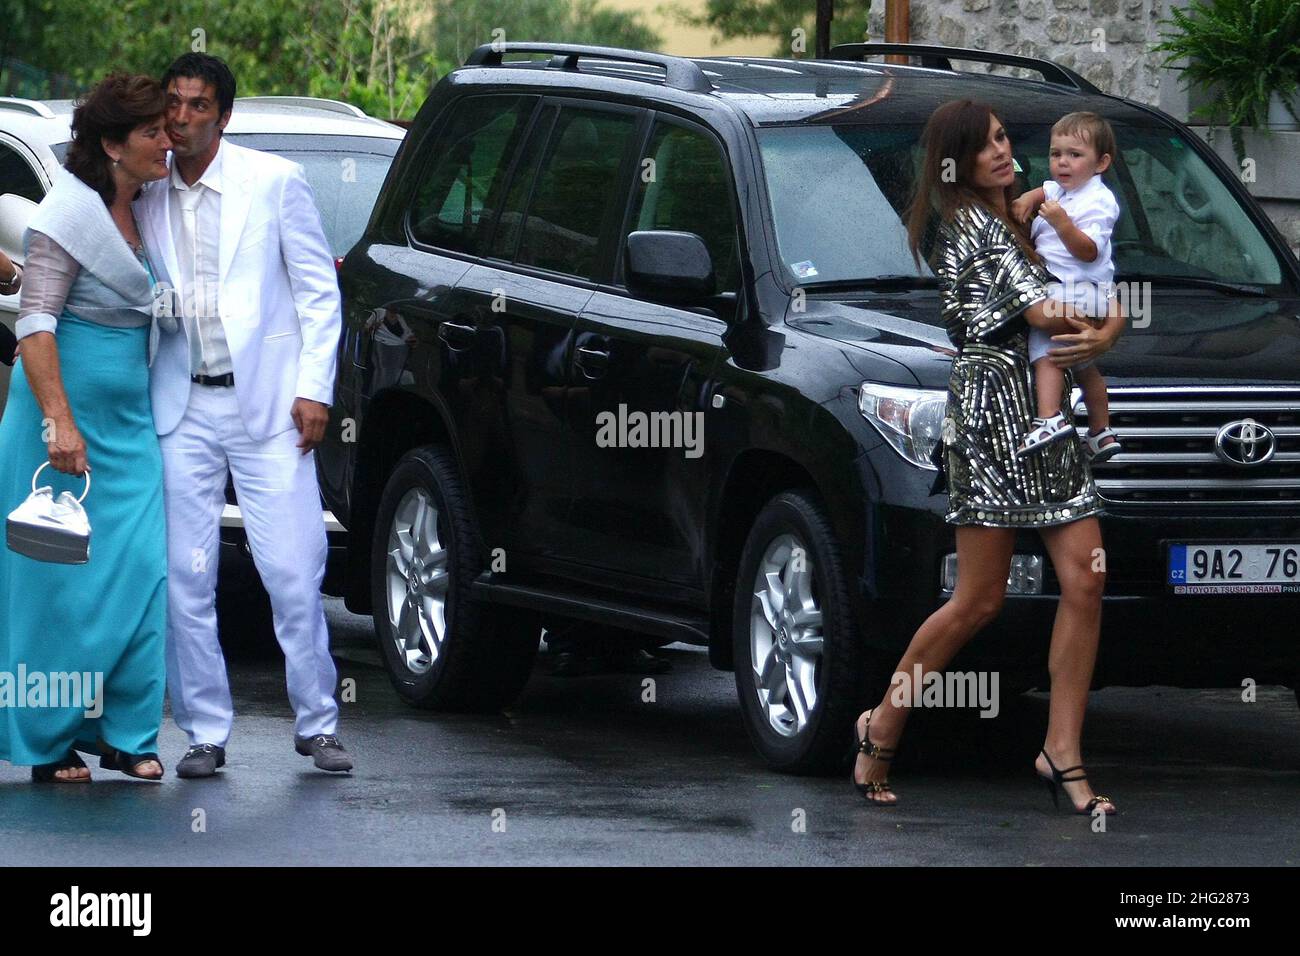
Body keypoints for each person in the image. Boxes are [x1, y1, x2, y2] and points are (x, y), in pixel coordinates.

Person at [849, 99, 1123, 815]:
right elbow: (1043, 313)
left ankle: (1061, 750)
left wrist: (1107, 318)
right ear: (958, 164)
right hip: (992, 414)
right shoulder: (970, 224)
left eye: (1004, 138)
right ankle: (883, 724)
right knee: (978, 600)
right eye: (984, 147)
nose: (1003, 151)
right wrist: (1113, 320)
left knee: (1085, 580)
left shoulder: (1023, 214)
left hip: (1043, 416)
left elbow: (1079, 281)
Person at [133, 52, 350, 777]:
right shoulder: (146, 194)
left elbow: (321, 293)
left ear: (224, 116)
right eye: (174, 104)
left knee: (291, 571)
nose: (182, 117)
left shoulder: (274, 182)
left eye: (198, 106)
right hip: (181, 402)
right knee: (185, 576)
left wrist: (315, 387)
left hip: (269, 405)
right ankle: (203, 731)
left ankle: (317, 722)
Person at [0, 74, 171, 783]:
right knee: (58, 588)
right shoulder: (67, 214)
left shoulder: (156, 205)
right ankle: (49, 742)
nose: (169, 140)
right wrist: (59, 424)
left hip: (131, 428)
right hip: (59, 425)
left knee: (141, 573)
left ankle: (129, 734)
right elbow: (36, 323)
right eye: (153, 131)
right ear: (111, 145)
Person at [1010, 111, 1123, 463]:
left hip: (1073, 289)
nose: (1063, 162)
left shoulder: (1099, 201)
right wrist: (1029, 198)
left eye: (1075, 155)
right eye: (1056, 153)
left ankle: (1049, 419)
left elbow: (1088, 252)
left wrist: (1061, 225)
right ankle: (1101, 432)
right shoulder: (1060, 188)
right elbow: (1044, 189)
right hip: (1083, 293)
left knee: (1047, 354)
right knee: (1086, 366)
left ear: (1101, 163)